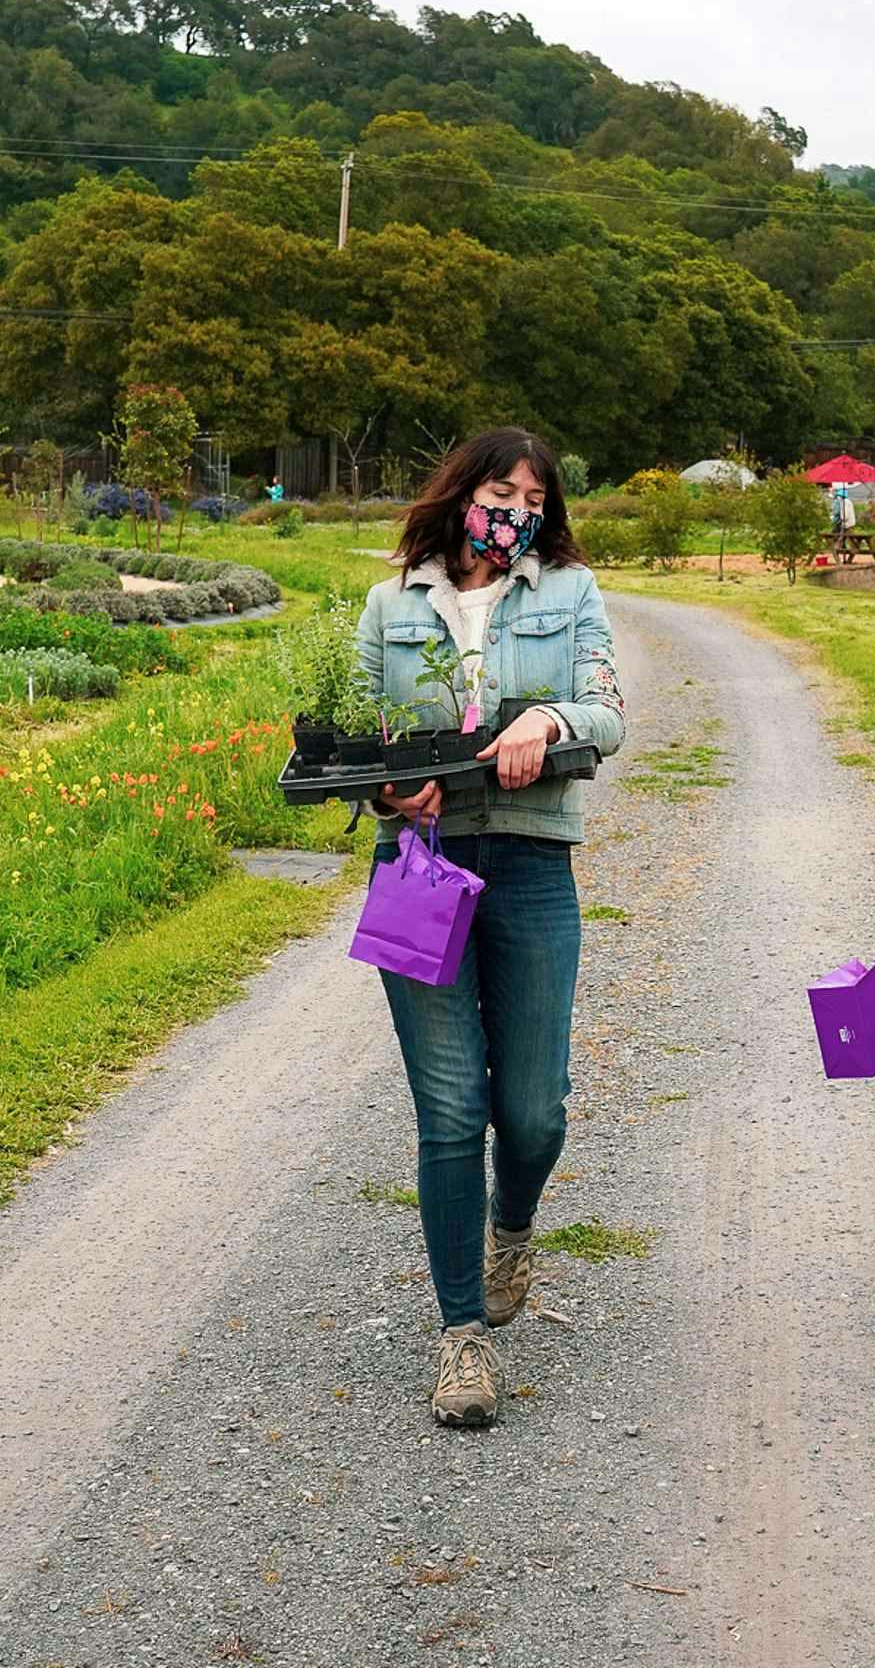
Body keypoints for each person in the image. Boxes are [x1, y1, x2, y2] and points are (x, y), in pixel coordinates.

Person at [359, 429, 625, 1428]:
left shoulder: (570, 592)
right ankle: (461, 1334)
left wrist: (546, 723)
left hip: (530, 856)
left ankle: (512, 1225)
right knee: (447, 1106)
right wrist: (390, 782)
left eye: (531, 495)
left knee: (535, 1106)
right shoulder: (391, 604)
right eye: (497, 488)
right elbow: (361, 730)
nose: (513, 507)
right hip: (416, 866)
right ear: (461, 492)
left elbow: (606, 711)